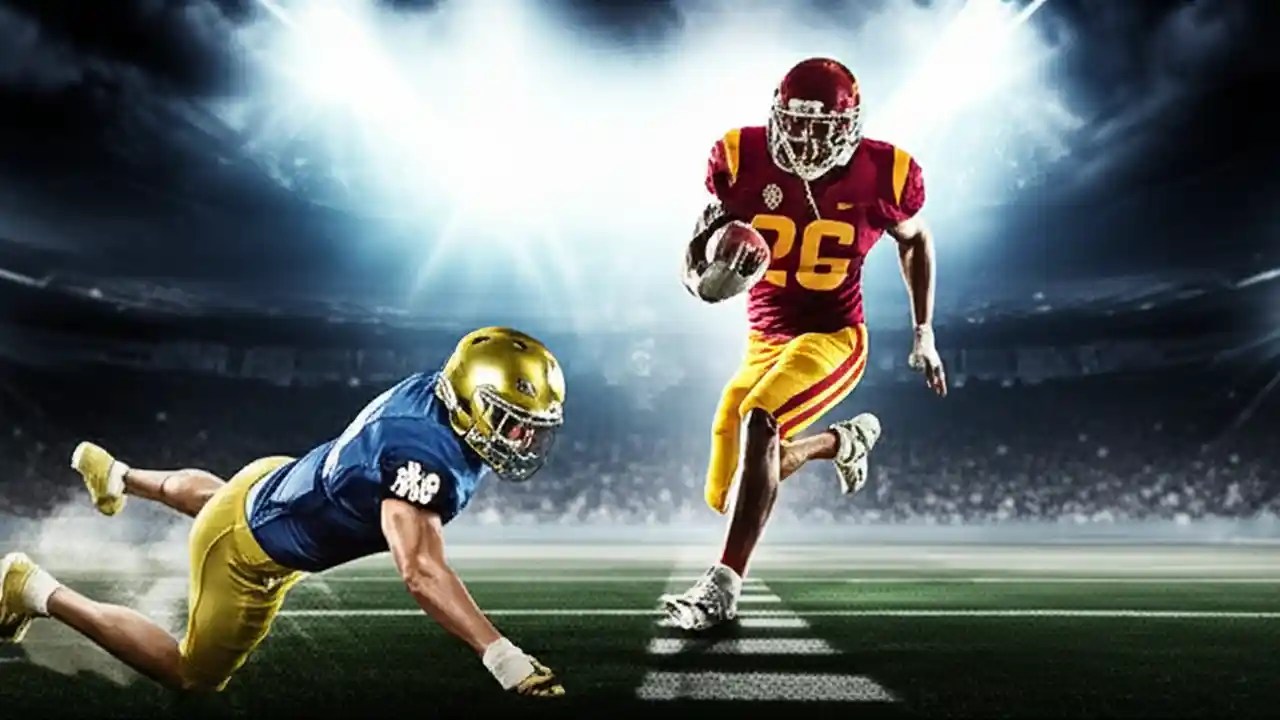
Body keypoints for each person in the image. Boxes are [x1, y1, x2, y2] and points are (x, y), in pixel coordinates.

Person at [0, 326, 567, 697]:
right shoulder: (422, 457)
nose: (520, 441)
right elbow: (420, 571)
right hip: (251, 552)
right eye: (512, 423)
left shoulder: (434, 392)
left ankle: (121, 477)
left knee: (224, 499)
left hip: (276, 481)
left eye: (531, 429)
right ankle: (33, 588)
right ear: (468, 398)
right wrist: (501, 655)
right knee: (192, 674)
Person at [665, 57, 948, 631]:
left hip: (834, 336)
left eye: (820, 129)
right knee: (727, 488)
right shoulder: (740, 159)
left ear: (849, 127)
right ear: (777, 115)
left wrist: (925, 331)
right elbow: (695, 250)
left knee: (761, 420)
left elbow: (916, 241)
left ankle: (723, 586)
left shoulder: (886, 173)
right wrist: (703, 277)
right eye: (794, 124)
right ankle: (839, 442)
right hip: (764, 341)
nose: (804, 141)